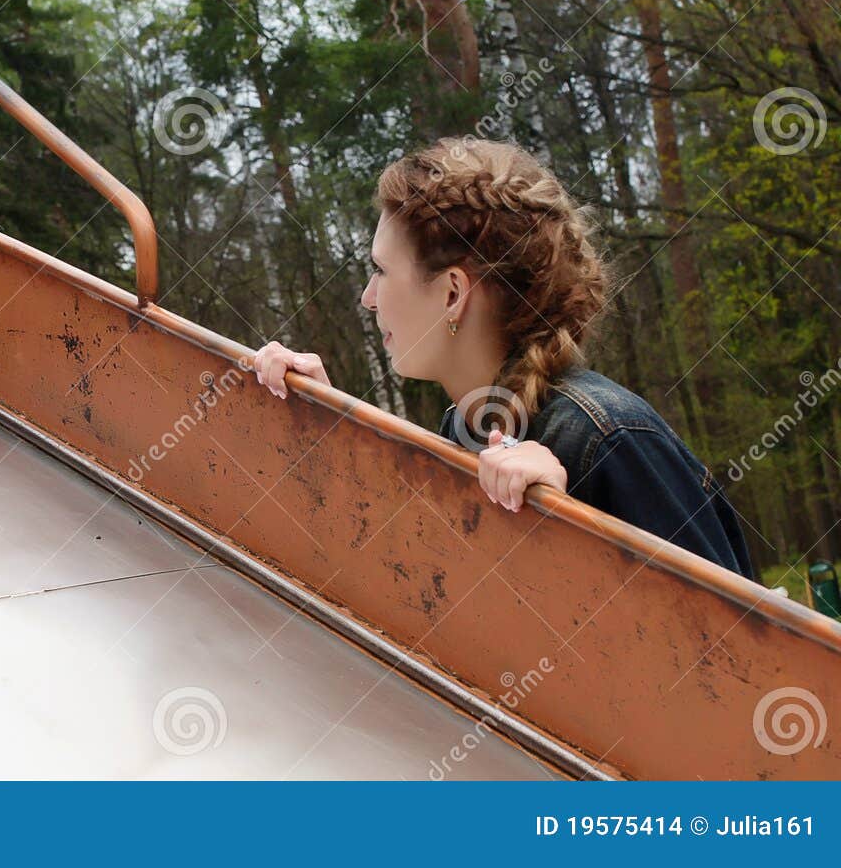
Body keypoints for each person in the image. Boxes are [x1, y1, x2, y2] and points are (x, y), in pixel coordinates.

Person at [253, 136, 754, 580]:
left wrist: (566, 520)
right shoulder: (465, 428)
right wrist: (331, 429)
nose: (367, 297)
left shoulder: (611, 439)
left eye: (381, 271)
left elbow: (744, 653)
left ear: (452, 293)